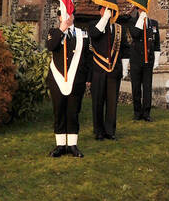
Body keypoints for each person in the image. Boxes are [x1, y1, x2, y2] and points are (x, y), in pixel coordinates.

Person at [46, 8, 89, 158]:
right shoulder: (54, 32)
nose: (68, 17)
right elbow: (51, 46)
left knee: (73, 111)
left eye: (70, 14)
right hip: (57, 79)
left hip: (76, 80)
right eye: (64, 15)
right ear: (59, 17)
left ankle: (72, 145)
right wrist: (61, 30)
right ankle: (60, 145)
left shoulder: (82, 33)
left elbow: (87, 57)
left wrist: (86, 78)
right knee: (59, 111)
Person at [89, 12, 123, 140]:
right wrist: (104, 19)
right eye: (105, 9)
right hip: (98, 70)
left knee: (112, 103)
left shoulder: (118, 28)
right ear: (100, 11)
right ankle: (98, 131)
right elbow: (95, 34)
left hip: (114, 70)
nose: (108, 12)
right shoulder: (94, 24)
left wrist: (122, 67)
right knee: (97, 102)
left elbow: (124, 49)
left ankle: (110, 131)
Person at [127, 16, 160, 121]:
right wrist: (141, 19)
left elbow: (157, 42)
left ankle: (146, 113)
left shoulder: (153, 22)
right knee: (136, 87)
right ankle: (137, 112)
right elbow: (135, 34)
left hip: (148, 59)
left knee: (147, 87)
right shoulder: (132, 21)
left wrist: (157, 59)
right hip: (136, 59)